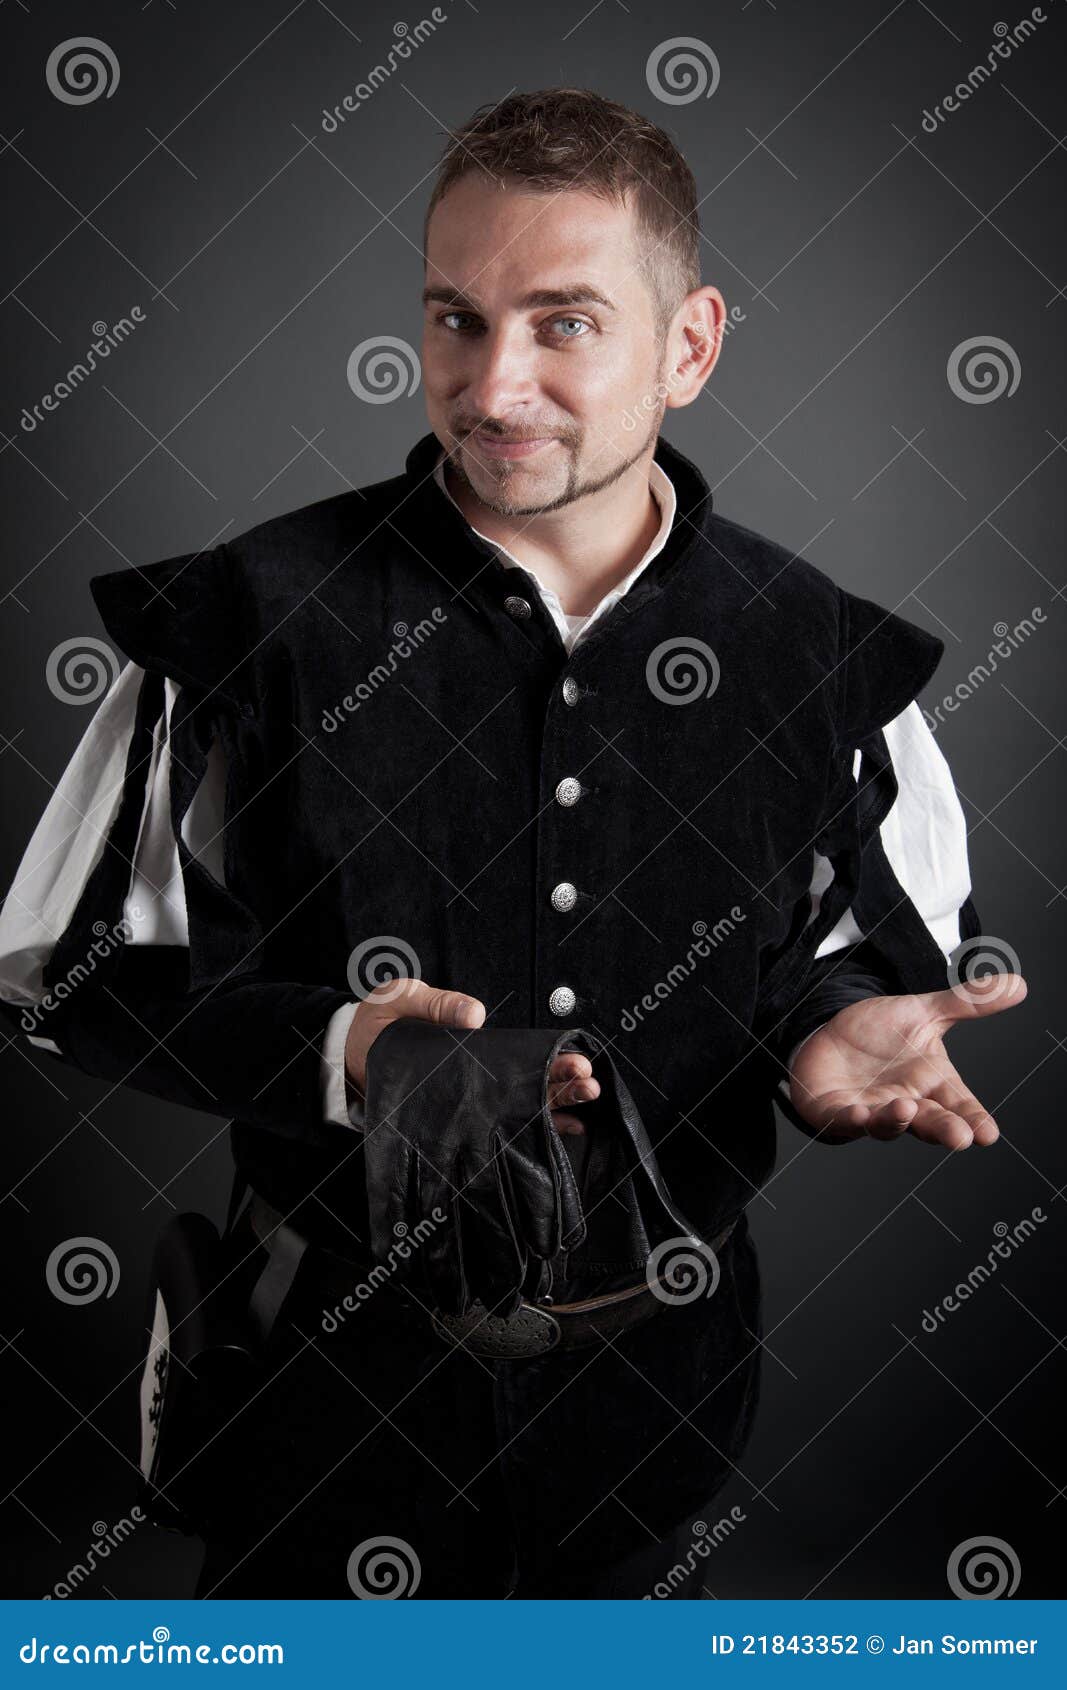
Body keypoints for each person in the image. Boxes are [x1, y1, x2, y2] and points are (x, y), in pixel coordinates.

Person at [0, 86, 1026, 1599]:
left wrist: (827, 1025)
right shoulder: (257, 615)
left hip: (653, 1426)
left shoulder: (819, 653)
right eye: (456, 321)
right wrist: (351, 1051)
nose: (494, 385)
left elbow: (860, 955)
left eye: (563, 323)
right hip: (316, 1411)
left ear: (690, 344)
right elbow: (60, 970)